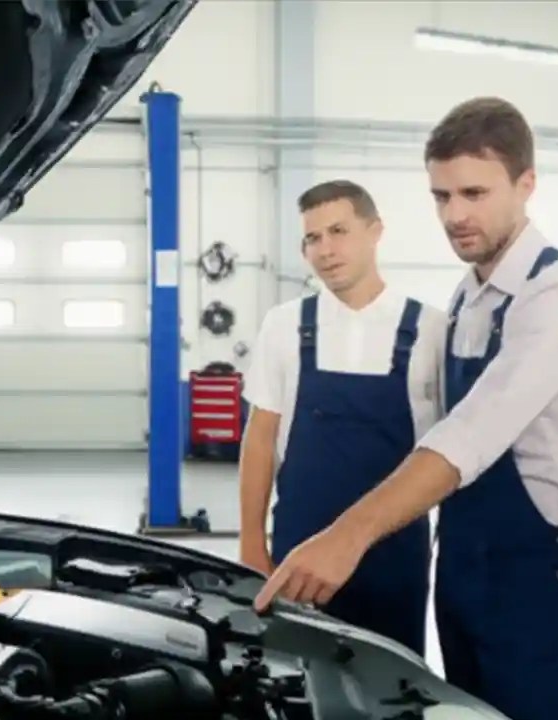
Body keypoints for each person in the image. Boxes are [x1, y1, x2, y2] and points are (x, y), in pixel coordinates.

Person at [253, 97, 558, 720]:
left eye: (474, 192)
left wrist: (348, 536)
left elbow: (472, 433)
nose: (456, 215)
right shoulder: (469, 299)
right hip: (463, 563)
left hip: (534, 571)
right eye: (442, 197)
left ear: (526, 184)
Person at [237, 179, 446, 658]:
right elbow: (260, 439)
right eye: (313, 238)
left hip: (395, 558)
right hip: (297, 551)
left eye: (339, 230)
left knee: (393, 684)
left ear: (375, 231)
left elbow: (451, 453)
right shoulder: (284, 325)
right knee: (297, 684)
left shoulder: (432, 331)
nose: (325, 249)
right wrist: (251, 544)